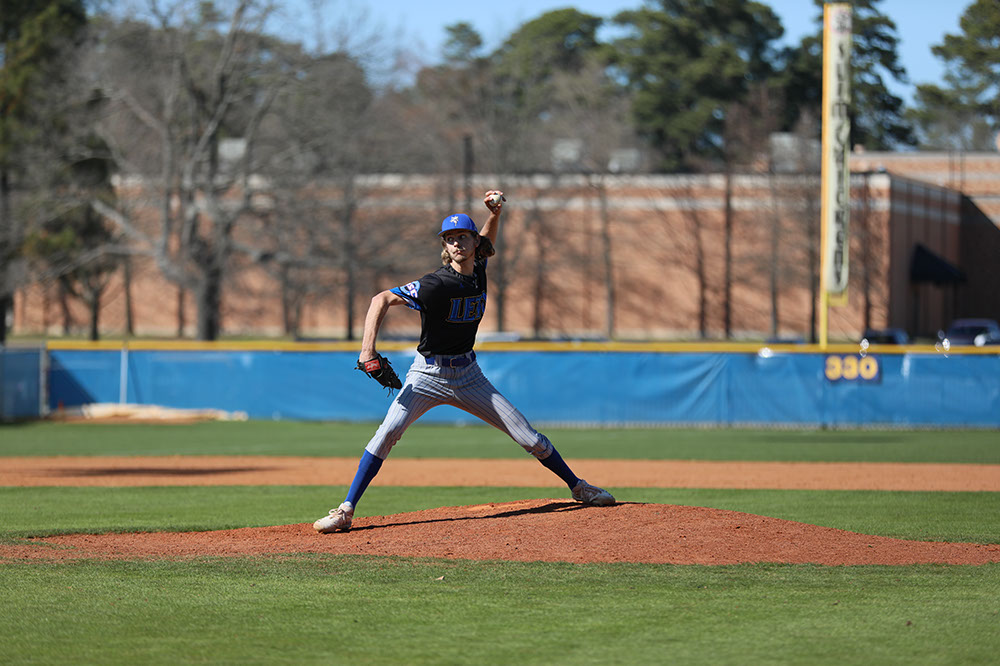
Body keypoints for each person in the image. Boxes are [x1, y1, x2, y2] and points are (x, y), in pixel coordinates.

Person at [313, 190, 615, 533]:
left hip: (469, 375)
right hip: (427, 374)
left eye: (463, 237)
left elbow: (488, 241)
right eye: (450, 238)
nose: (457, 243)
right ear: (445, 245)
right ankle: (346, 510)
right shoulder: (435, 284)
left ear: (474, 242)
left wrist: (495, 215)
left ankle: (579, 487)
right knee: (388, 433)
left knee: (529, 439)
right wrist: (367, 350)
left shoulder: (480, 266)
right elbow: (379, 299)